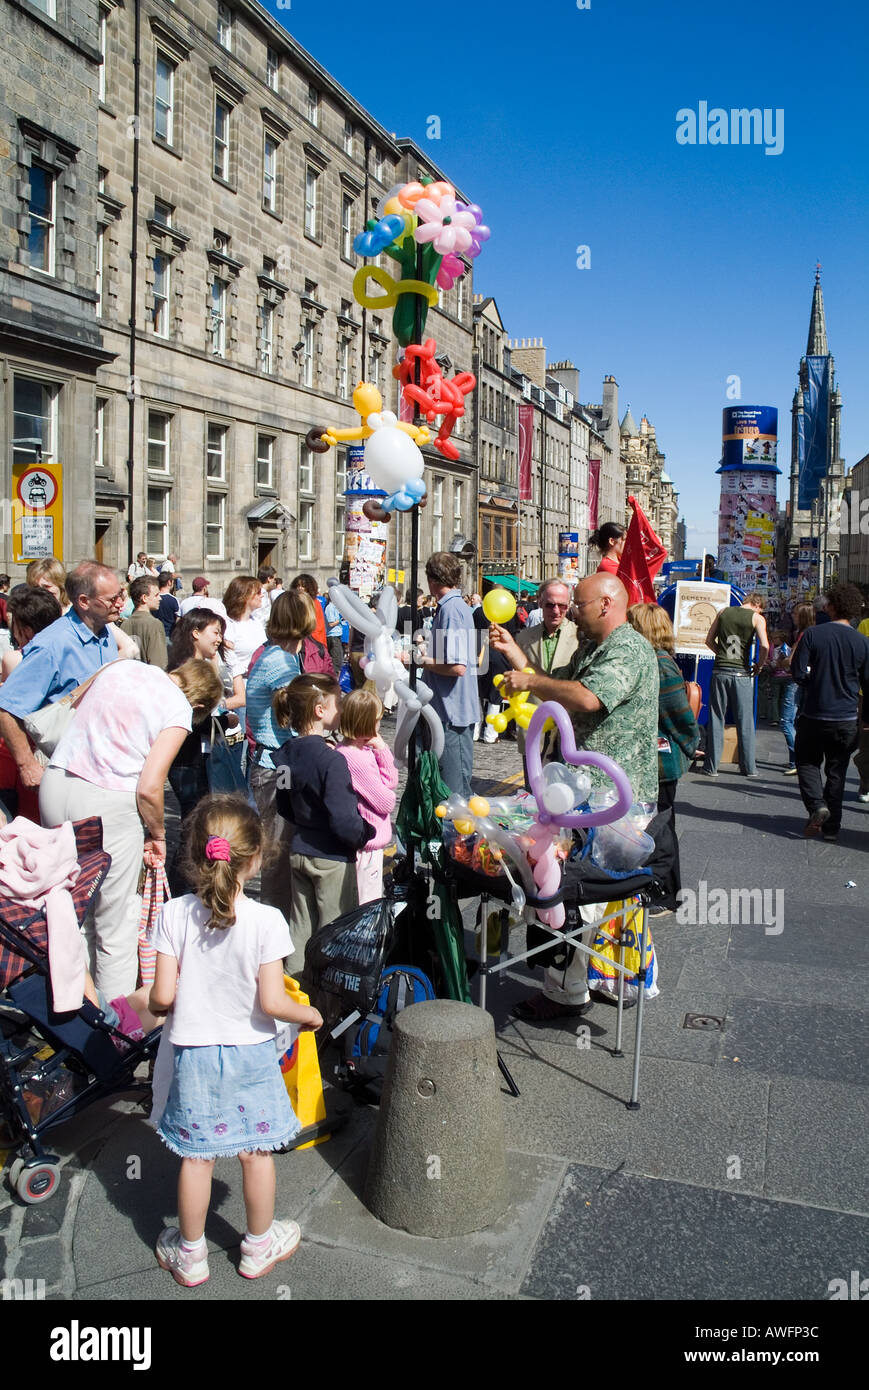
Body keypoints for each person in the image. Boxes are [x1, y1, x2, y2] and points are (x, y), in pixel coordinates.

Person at [148, 795, 322, 1287]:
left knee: (196, 1157)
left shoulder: (173, 914)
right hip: (251, 1054)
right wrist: (308, 1014)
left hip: (194, 1055)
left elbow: (162, 996)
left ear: (197, 855)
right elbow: (272, 1003)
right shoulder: (267, 920)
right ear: (256, 857)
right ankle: (258, 1246)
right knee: (256, 1153)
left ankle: (191, 1253)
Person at [491, 571, 659, 1021]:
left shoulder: (626, 649)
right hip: (586, 793)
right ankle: (590, 978)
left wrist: (532, 684)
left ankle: (569, 990)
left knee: (582, 894)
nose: (574, 616)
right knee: (582, 891)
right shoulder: (592, 647)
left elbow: (585, 698)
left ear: (606, 604)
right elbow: (558, 685)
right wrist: (519, 660)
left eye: (580, 607)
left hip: (615, 796)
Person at [39, 658, 222, 999]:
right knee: (115, 920)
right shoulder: (177, 707)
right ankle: (113, 1026)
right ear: (199, 705)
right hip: (107, 798)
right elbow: (150, 787)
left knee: (68, 908)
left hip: (57, 779)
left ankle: (66, 1002)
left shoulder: (122, 668)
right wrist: (158, 835)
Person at [273, 674, 375, 977]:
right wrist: (365, 833)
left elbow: (283, 805)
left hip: (299, 849)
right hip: (330, 857)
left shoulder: (285, 754)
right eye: (338, 703)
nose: (341, 709)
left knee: (300, 931)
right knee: (333, 936)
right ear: (320, 709)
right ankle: (327, 1012)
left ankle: (293, 997)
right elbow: (344, 821)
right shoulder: (332, 761)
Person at [246, 590, 334, 919]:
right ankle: (277, 927)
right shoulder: (279, 662)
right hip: (277, 768)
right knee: (280, 854)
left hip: (276, 763)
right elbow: (295, 714)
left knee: (286, 848)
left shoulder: (278, 656)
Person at [0, 562, 124, 793]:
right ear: (84, 602)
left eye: (121, 594)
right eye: (112, 598)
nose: (121, 603)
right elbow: (7, 708)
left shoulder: (105, 632)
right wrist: (27, 764)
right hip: (66, 773)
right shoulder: (52, 645)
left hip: (104, 767)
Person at [626, 603, 699, 915]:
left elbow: (677, 715)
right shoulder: (654, 660)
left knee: (661, 826)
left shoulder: (659, 663)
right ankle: (660, 888)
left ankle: (666, 894)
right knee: (656, 824)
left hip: (660, 759)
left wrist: (689, 743)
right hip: (651, 758)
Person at [791, 584, 869, 840]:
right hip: (846, 718)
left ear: (832, 607)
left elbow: (798, 673)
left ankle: (817, 805)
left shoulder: (813, 635)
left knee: (806, 762)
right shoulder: (862, 642)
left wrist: (814, 679)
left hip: (814, 713)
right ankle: (832, 828)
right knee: (837, 771)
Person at [416, 552, 480, 797]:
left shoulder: (452, 610)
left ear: (432, 580)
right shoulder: (452, 608)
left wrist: (419, 660)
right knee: (448, 789)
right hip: (447, 709)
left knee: (455, 793)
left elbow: (457, 667)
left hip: (452, 713)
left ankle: (458, 836)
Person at [0, 587, 62, 822]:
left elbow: (9, 708)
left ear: (24, 630)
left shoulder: (16, 658)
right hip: (58, 756)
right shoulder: (67, 650)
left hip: (21, 757)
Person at [336, 689, 398, 903]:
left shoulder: (357, 751)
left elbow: (390, 781)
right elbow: (386, 801)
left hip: (369, 844)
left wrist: (380, 748)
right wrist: (382, 748)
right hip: (366, 845)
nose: (380, 725)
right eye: (378, 720)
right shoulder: (356, 759)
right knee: (366, 904)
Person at [701, 592, 769, 779]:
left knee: (716, 718)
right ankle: (748, 768)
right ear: (757, 604)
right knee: (745, 720)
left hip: (720, 671)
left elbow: (708, 640)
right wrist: (759, 665)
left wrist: (721, 653)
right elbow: (765, 646)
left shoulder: (723, 612)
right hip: (741, 673)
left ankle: (711, 766)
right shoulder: (757, 618)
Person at [515, 578, 580, 762]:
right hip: (533, 725)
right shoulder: (524, 637)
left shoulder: (580, 637)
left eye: (562, 605)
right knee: (533, 787)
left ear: (569, 605)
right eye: (550, 605)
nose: (556, 611)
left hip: (567, 730)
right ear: (540, 603)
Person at [119, 576, 168, 668]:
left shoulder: (124, 624)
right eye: (156, 595)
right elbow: (159, 663)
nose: (160, 598)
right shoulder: (154, 624)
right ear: (144, 598)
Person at [290, 574, 328, 649]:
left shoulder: (314, 603)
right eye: (298, 585)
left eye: (303, 586)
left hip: (313, 642)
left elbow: (316, 627)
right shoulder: (295, 602)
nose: (300, 588)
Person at [156, 571, 180, 640]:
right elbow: (177, 619)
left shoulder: (153, 599)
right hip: (169, 635)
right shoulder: (174, 600)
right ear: (169, 582)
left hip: (155, 635)